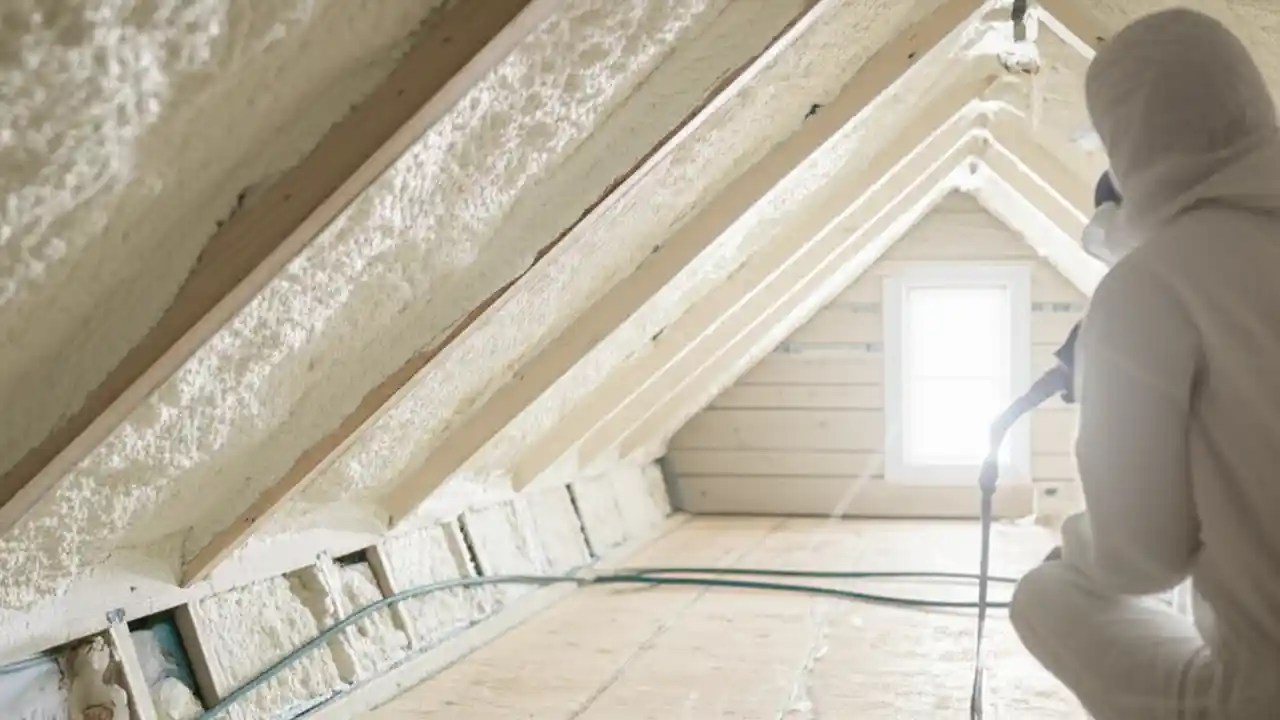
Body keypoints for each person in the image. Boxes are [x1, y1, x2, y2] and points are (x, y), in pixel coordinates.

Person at [1008, 8, 1280, 719]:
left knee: (1048, 596)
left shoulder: (1149, 286)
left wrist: (1071, 545)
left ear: (1126, 148)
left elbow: (1141, 562)